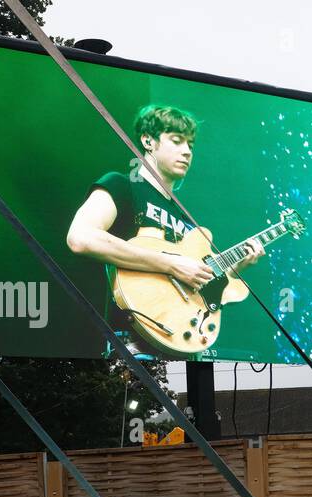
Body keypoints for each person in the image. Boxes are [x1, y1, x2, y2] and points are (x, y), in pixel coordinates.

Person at [66, 104, 263, 359]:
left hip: (183, 342)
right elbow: (80, 238)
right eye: (177, 141)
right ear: (148, 141)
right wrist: (171, 264)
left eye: (190, 145)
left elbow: (195, 281)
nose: (187, 151)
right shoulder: (122, 185)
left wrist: (234, 269)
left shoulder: (186, 218)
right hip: (134, 344)